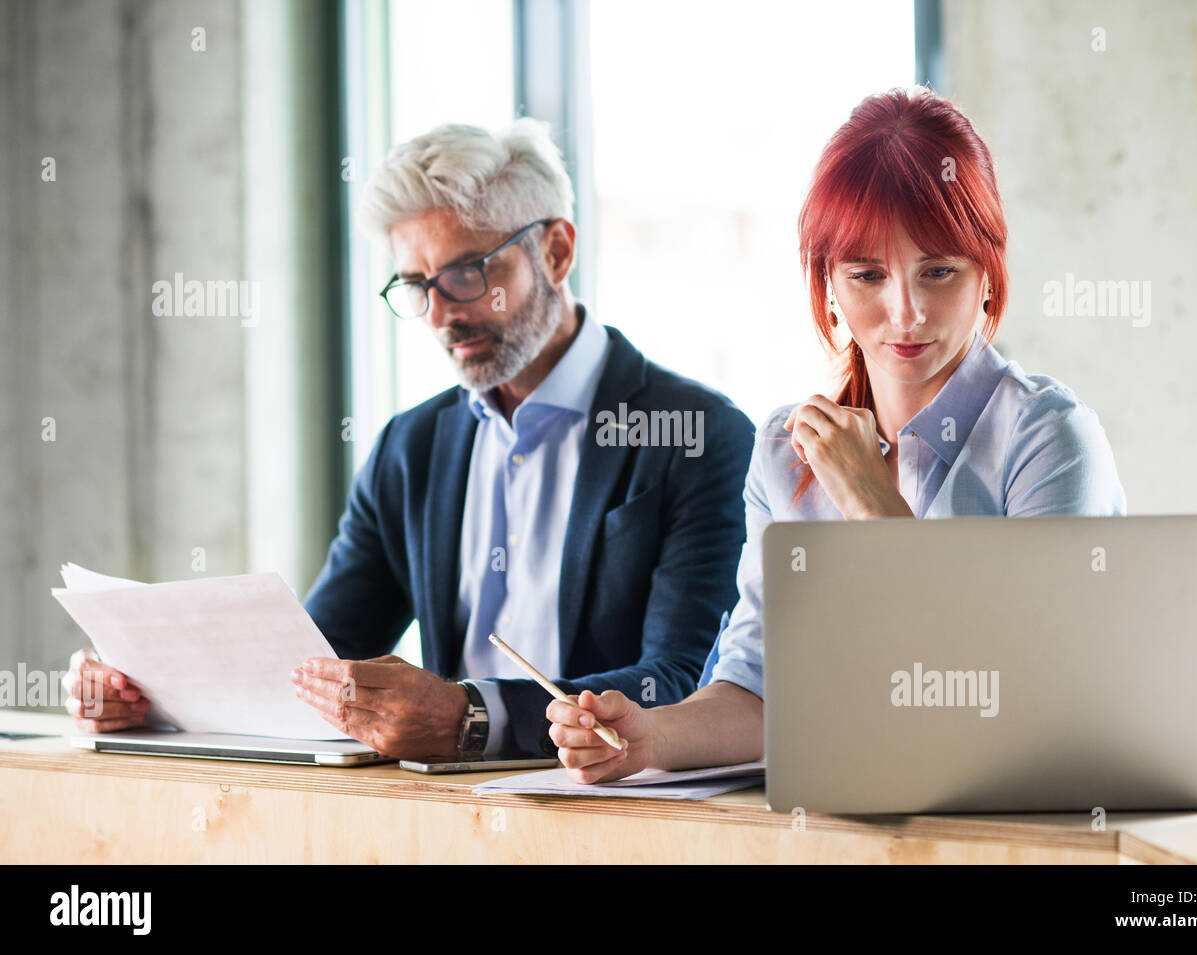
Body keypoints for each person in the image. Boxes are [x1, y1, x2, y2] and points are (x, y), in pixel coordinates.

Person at [63, 118, 755, 760]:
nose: (443, 315)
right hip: (448, 821)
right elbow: (314, 662)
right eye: (417, 285)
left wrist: (470, 716)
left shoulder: (699, 436)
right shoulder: (412, 447)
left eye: (467, 274)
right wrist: (147, 695)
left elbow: (679, 682)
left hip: (629, 819)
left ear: (557, 249)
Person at [545, 87, 1128, 783]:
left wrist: (871, 504)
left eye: (938, 271)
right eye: (867, 274)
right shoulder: (784, 451)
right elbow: (761, 692)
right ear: (828, 283)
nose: (904, 311)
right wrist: (649, 736)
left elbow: (1029, 686)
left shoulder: (1048, 440)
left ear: (988, 276)